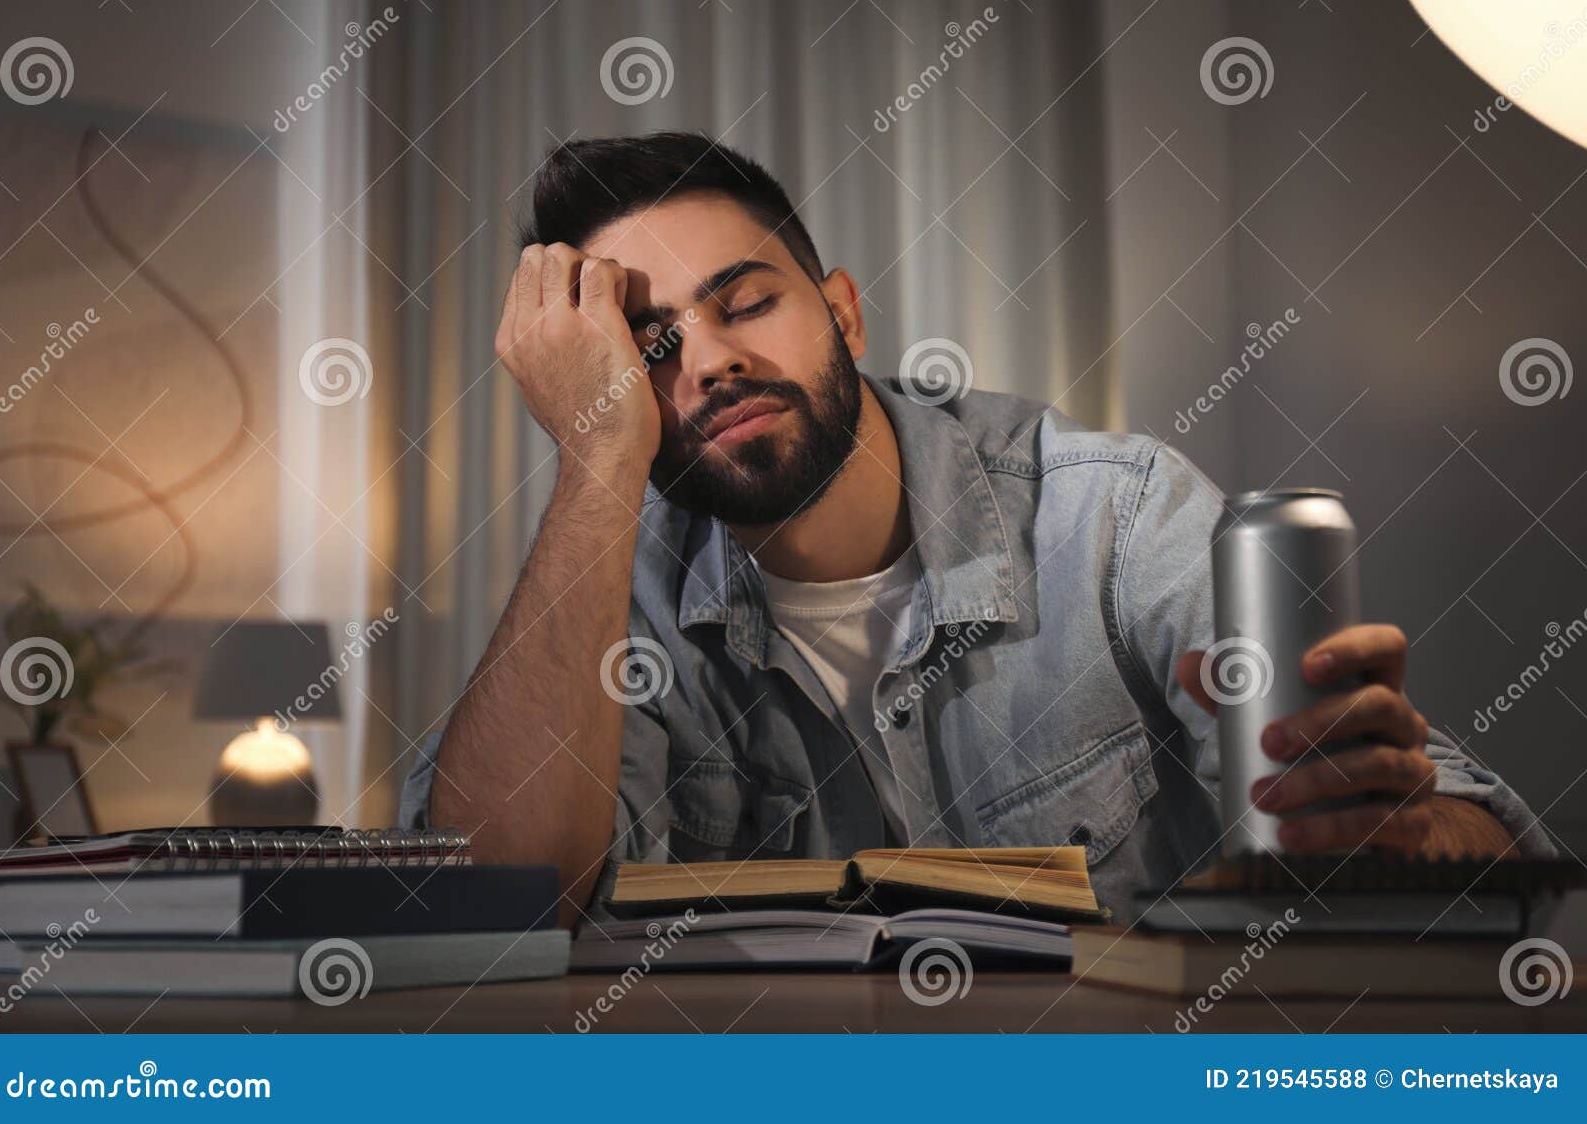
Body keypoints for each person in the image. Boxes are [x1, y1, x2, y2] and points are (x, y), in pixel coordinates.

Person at [401, 132, 1549, 924]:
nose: (710, 359)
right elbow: (490, 911)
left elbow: (1495, 852)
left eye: (746, 301)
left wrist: (1402, 836)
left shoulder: (1115, 512)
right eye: (648, 349)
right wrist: (599, 454)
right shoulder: (614, 587)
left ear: (842, 311)